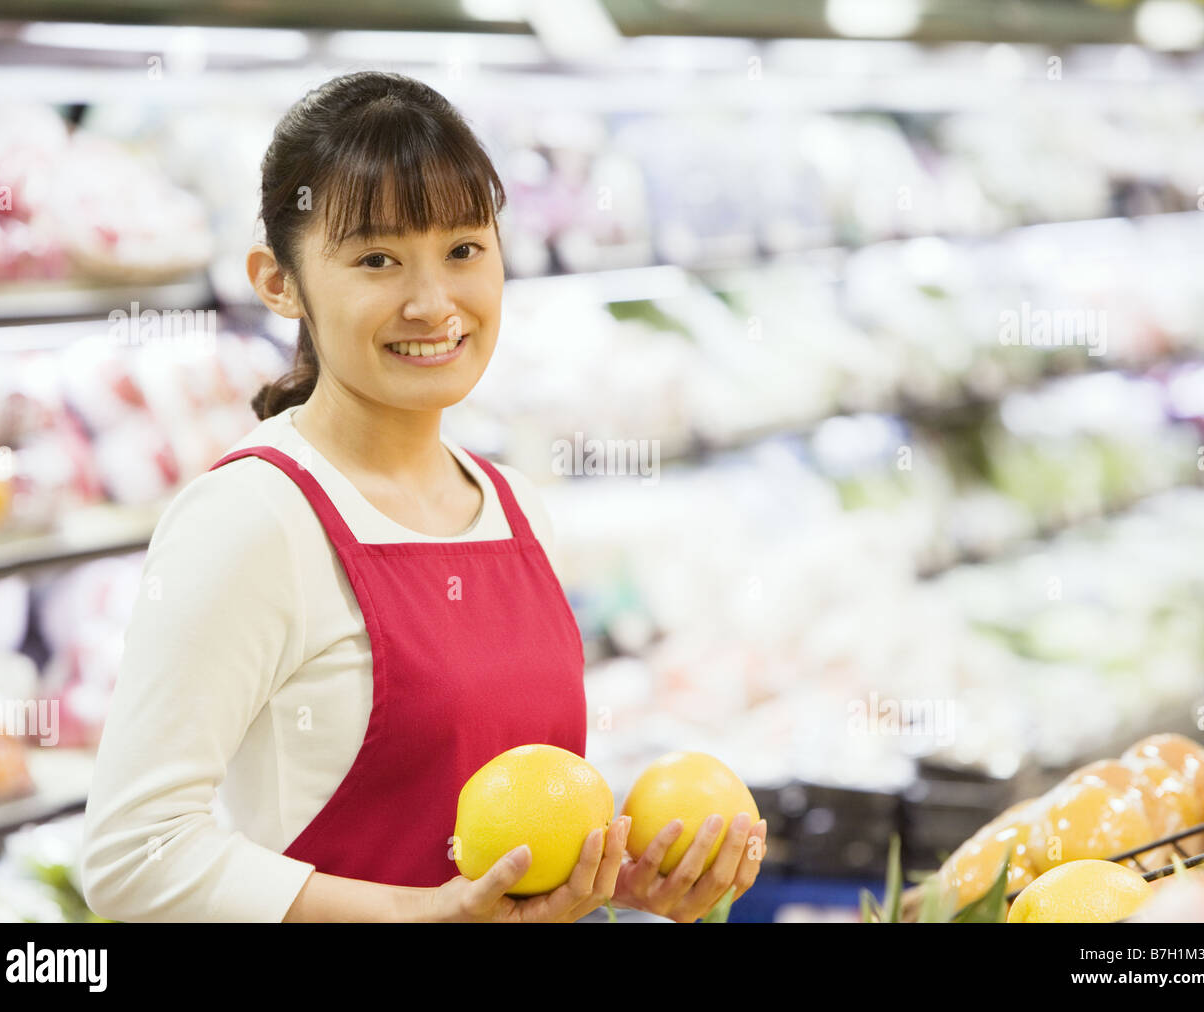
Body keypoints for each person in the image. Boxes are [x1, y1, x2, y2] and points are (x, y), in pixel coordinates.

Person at [79, 70, 766, 922]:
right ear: (277, 281)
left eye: (464, 250)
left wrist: (611, 876)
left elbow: (495, 832)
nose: (434, 302)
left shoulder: (515, 507)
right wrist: (411, 916)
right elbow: (130, 853)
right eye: (377, 259)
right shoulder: (253, 518)